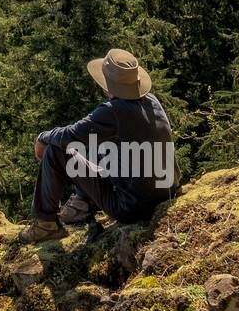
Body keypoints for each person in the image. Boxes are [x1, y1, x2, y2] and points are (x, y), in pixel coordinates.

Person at [18, 48, 177, 244]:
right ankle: (82, 203)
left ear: (106, 84)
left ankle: (45, 224)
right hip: (165, 191)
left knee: (56, 150)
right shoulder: (151, 101)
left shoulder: (113, 111)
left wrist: (42, 137)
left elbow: (70, 135)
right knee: (97, 145)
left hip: (132, 208)